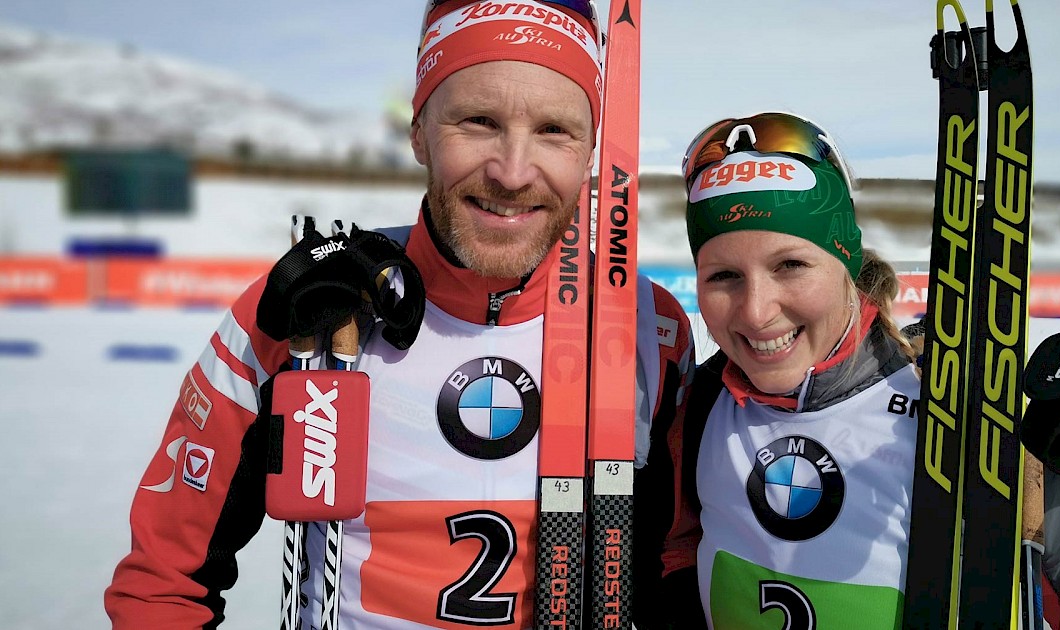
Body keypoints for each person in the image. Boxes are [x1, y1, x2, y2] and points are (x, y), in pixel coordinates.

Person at [104, 1, 693, 628]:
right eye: (478, 121)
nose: (513, 172)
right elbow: (162, 584)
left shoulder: (650, 332)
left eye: (555, 131)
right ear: (419, 132)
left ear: (592, 149)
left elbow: (677, 566)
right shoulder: (310, 305)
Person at [646, 111, 1060, 629]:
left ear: (846, 260)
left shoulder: (961, 406)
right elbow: (681, 546)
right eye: (723, 275)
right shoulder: (702, 399)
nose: (756, 311)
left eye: (790, 265)